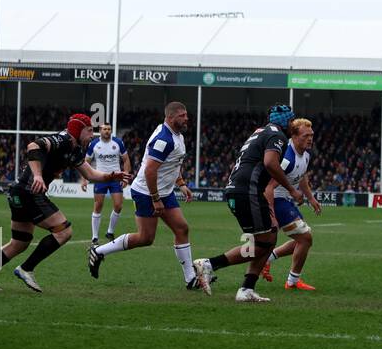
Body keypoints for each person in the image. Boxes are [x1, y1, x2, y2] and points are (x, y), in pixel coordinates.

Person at [0, 113, 131, 292]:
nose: (92, 135)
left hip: (20, 192)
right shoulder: (62, 139)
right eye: (89, 131)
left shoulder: (75, 149)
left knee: (19, 242)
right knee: (64, 231)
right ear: (79, 130)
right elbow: (33, 146)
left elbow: (91, 174)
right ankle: (26, 268)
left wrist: (112, 175)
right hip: (29, 192)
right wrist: (38, 175)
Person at [88, 102, 202, 292]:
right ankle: (98, 251)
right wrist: (155, 199)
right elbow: (150, 170)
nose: (186, 118)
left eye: (186, 114)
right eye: (182, 115)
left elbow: (173, 163)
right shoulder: (165, 139)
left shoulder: (177, 135)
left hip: (164, 192)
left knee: (182, 228)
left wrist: (181, 184)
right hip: (147, 192)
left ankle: (190, 278)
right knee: (145, 238)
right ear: (171, 117)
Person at [196, 105, 303, 303]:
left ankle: (246, 289)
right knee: (265, 242)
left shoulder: (260, 132)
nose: (292, 125)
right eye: (291, 121)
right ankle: (210, 264)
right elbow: (270, 163)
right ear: (284, 121)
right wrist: (292, 189)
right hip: (248, 190)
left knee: (267, 239)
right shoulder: (277, 135)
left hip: (241, 189)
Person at [260, 117, 322, 291]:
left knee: (302, 241)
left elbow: (302, 177)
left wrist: (311, 198)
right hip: (277, 200)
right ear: (294, 136)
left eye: (311, 135)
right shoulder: (286, 157)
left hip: (287, 201)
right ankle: (292, 281)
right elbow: (269, 187)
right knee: (305, 238)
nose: (309, 139)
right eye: (305, 135)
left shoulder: (306, 154)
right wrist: (271, 214)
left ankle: (267, 259)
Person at [82, 122, 130, 244]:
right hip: (101, 178)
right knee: (98, 206)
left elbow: (126, 159)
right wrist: (85, 179)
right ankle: (95, 237)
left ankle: (110, 231)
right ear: (100, 130)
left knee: (118, 206)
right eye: (104, 129)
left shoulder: (118, 142)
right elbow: (86, 162)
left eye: (109, 129)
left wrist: (125, 176)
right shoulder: (94, 144)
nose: (107, 131)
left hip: (116, 177)